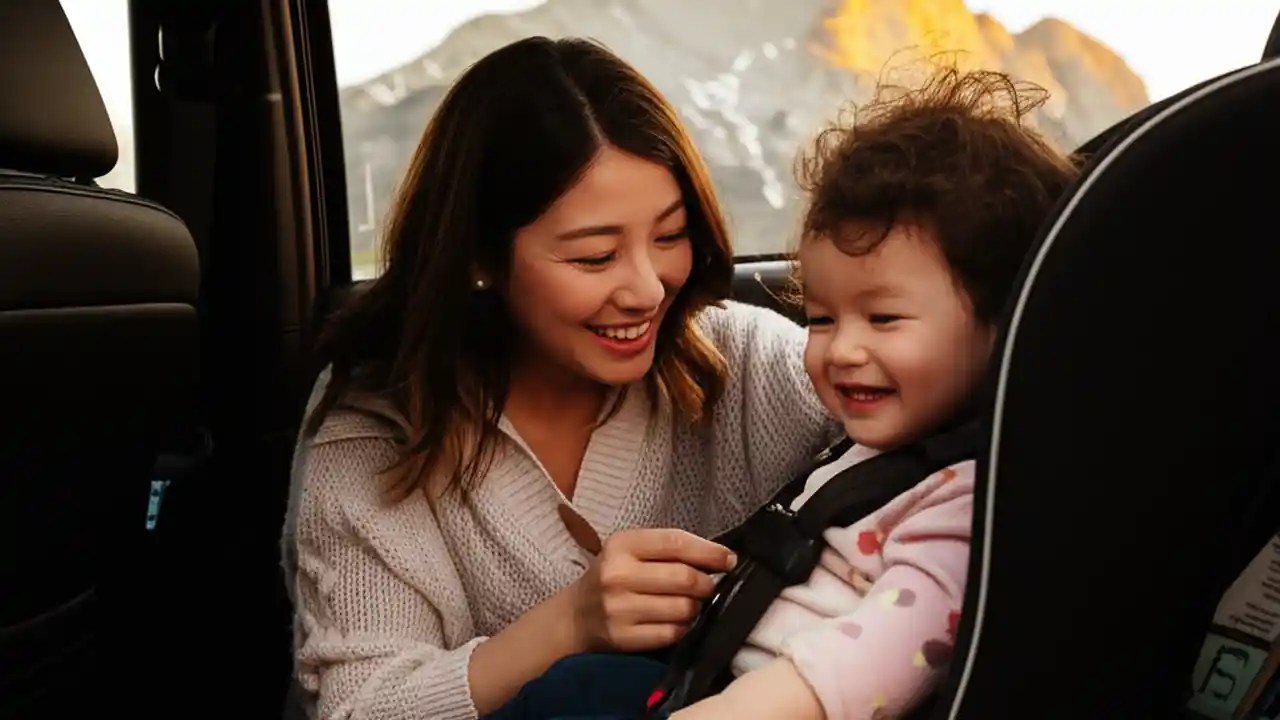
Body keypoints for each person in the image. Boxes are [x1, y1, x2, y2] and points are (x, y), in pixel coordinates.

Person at [483, 63, 1080, 720]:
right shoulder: (869, 452)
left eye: (883, 319)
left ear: (1005, 323)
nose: (840, 350)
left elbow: (861, 670)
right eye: (821, 319)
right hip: (706, 676)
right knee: (577, 688)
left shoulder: (966, 509)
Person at [281, 35, 840, 720]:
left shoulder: (739, 361)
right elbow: (357, 706)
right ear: (481, 258)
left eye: (668, 236)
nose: (646, 289)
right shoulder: (377, 434)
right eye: (596, 256)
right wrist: (568, 626)